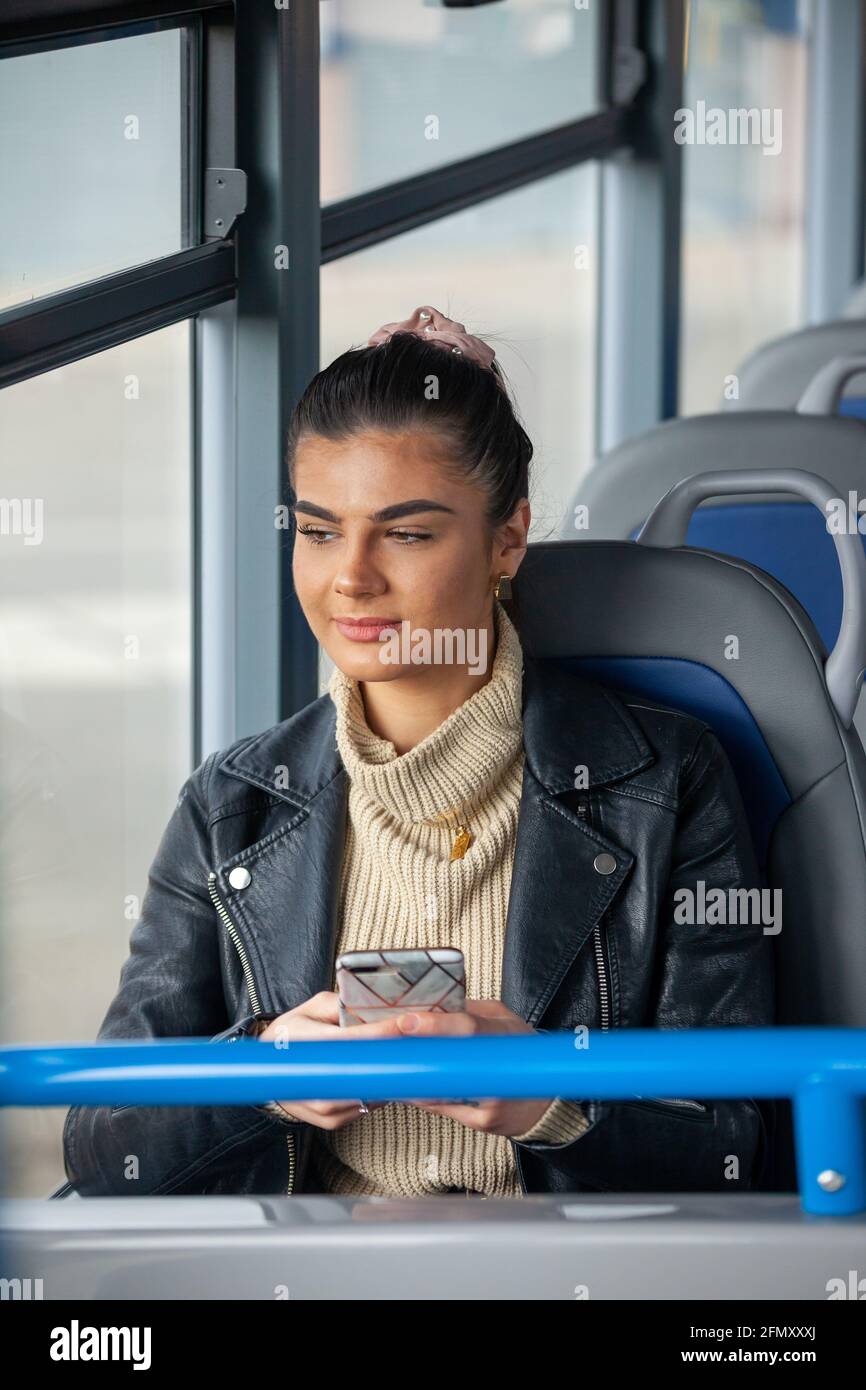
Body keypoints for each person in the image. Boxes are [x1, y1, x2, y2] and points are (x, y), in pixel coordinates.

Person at [62, 305, 774, 1198]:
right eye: (319, 531)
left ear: (506, 541)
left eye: (406, 533)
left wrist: (548, 1096)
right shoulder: (231, 803)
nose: (350, 576)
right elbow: (101, 1145)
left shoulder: (667, 782)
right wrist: (263, 1079)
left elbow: (735, 1142)